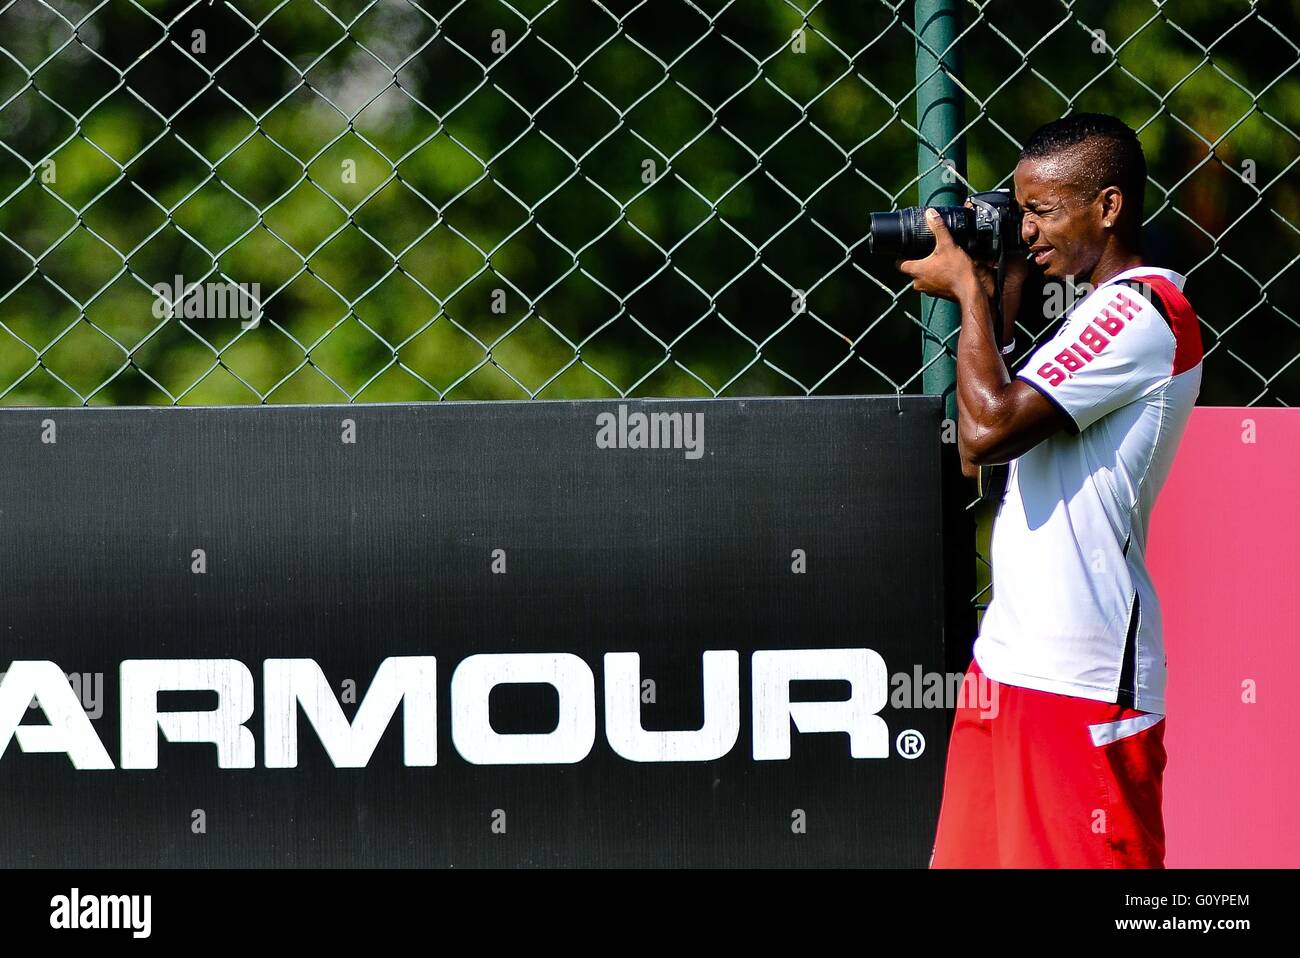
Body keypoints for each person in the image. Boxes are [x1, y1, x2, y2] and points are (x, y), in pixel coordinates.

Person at [896, 113, 1203, 868]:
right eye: (1020, 210)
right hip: (1007, 665)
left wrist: (969, 292)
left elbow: (986, 431)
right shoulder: (1092, 313)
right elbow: (984, 433)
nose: (1027, 230)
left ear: (1107, 205)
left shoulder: (1146, 312)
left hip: (1081, 679)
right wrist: (999, 286)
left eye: (1043, 211)